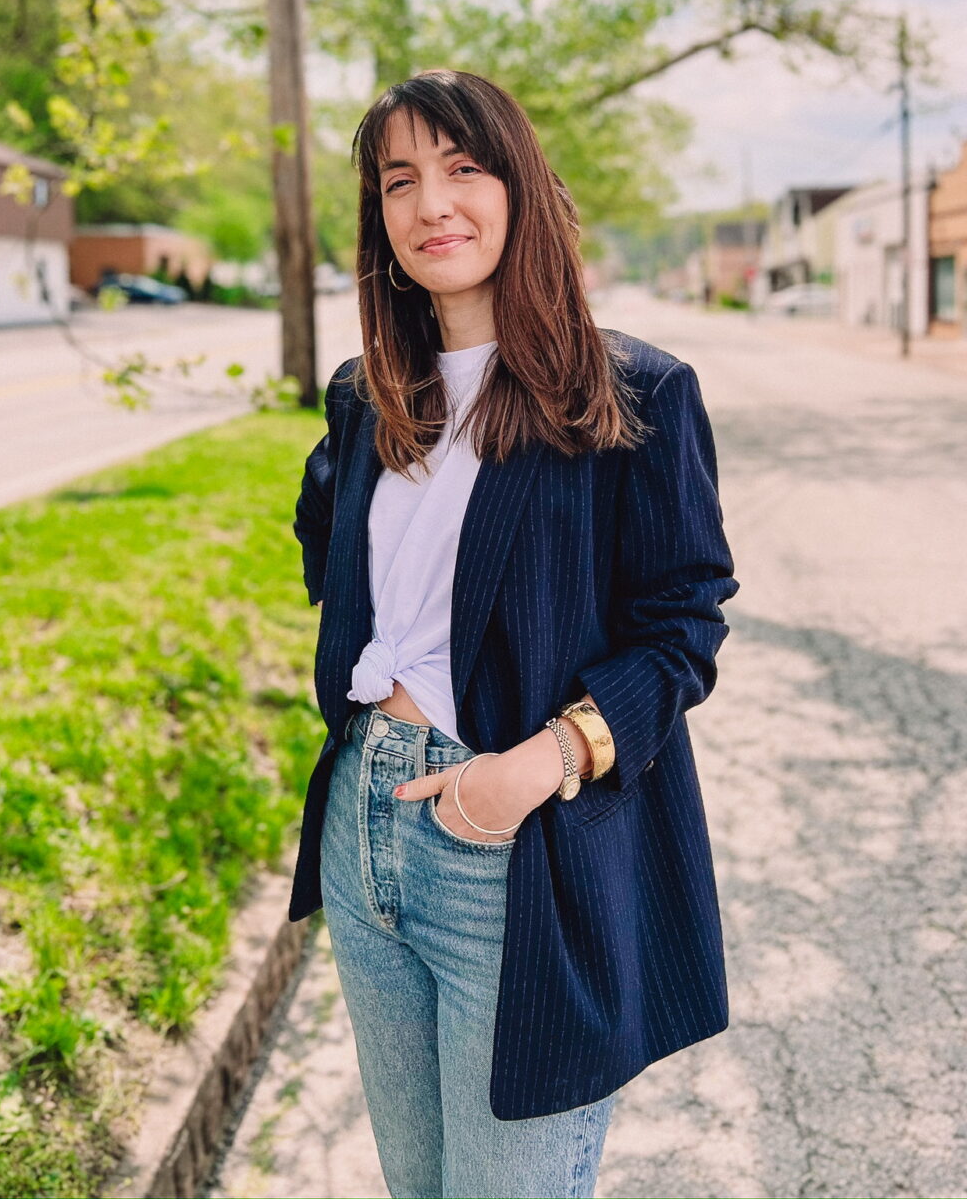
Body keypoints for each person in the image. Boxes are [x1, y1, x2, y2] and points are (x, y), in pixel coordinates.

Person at [289, 69, 737, 1199]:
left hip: (516, 843)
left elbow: (683, 622)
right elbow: (326, 550)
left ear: (519, 185)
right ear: (379, 220)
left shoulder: (631, 390)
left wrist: (541, 763)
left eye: (461, 167)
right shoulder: (366, 393)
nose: (431, 201)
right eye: (400, 181)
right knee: (420, 1184)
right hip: (364, 830)